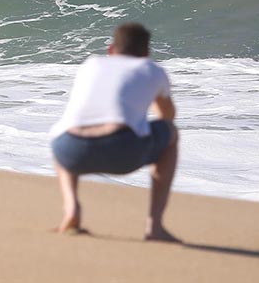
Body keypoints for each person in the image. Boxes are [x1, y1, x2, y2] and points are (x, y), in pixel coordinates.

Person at [49, 22, 180, 242]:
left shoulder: (91, 64)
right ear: (146, 53)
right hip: (121, 152)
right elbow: (167, 117)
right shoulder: (152, 70)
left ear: (111, 49)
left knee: (65, 130)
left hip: (70, 151)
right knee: (171, 133)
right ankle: (154, 226)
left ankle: (71, 209)